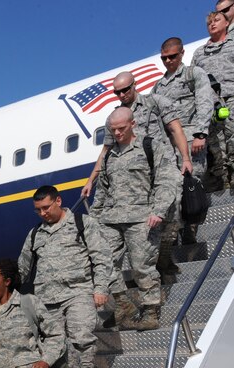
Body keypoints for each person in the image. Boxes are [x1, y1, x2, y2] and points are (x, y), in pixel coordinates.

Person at [81, 70, 190, 278]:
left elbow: (175, 129)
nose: (122, 95)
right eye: (117, 92)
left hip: (160, 165)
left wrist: (185, 158)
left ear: (134, 85)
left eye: (125, 90)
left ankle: (164, 258)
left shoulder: (154, 103)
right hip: (133, 173)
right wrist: (91, 180)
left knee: (173, 211)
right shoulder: (113, 118)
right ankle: (154, 262)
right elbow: (106, 151)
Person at [18, 186, 112, 368]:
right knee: (53, 349)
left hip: (78, 292)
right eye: (38, 210)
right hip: (47, 300)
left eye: (46, 207)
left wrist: (100, 288)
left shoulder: (82, 223)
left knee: (82, 339)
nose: (42, 213)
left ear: (58, 201)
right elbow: (22, 269)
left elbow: (102, 258)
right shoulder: (35, 234)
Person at [89, 107, 180, 331]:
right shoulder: (110, 156)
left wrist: (158, 210)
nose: (117, 134)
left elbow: (166, 181)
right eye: (113, 130)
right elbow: (103, 190)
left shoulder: (150, 147)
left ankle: (150, 311)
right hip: (110, 219)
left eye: (121, 129)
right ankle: (123, 305)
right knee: (104, 265)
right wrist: (94, 218)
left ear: (132, 124)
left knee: (142, 267)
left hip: (142, 218)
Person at [153, 37, 215, 242]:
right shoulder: (158, 87)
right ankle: (178, 232)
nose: (168, 61)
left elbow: (205, 102)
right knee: (172, 189)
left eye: (172, 56)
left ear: (181, 54)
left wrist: (200, 134)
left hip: (191, 139)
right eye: (164, 58)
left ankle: (191, 231)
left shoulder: (193, 74)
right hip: (168, 146)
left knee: (191, 185)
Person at [192, 11, 234, 190]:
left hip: (232, 98)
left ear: (227, 23)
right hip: (212, 104)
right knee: (217, 146)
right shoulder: (199, 53)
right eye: (209, 22)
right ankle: (224, 181)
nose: (212, 24)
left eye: (217, 20)